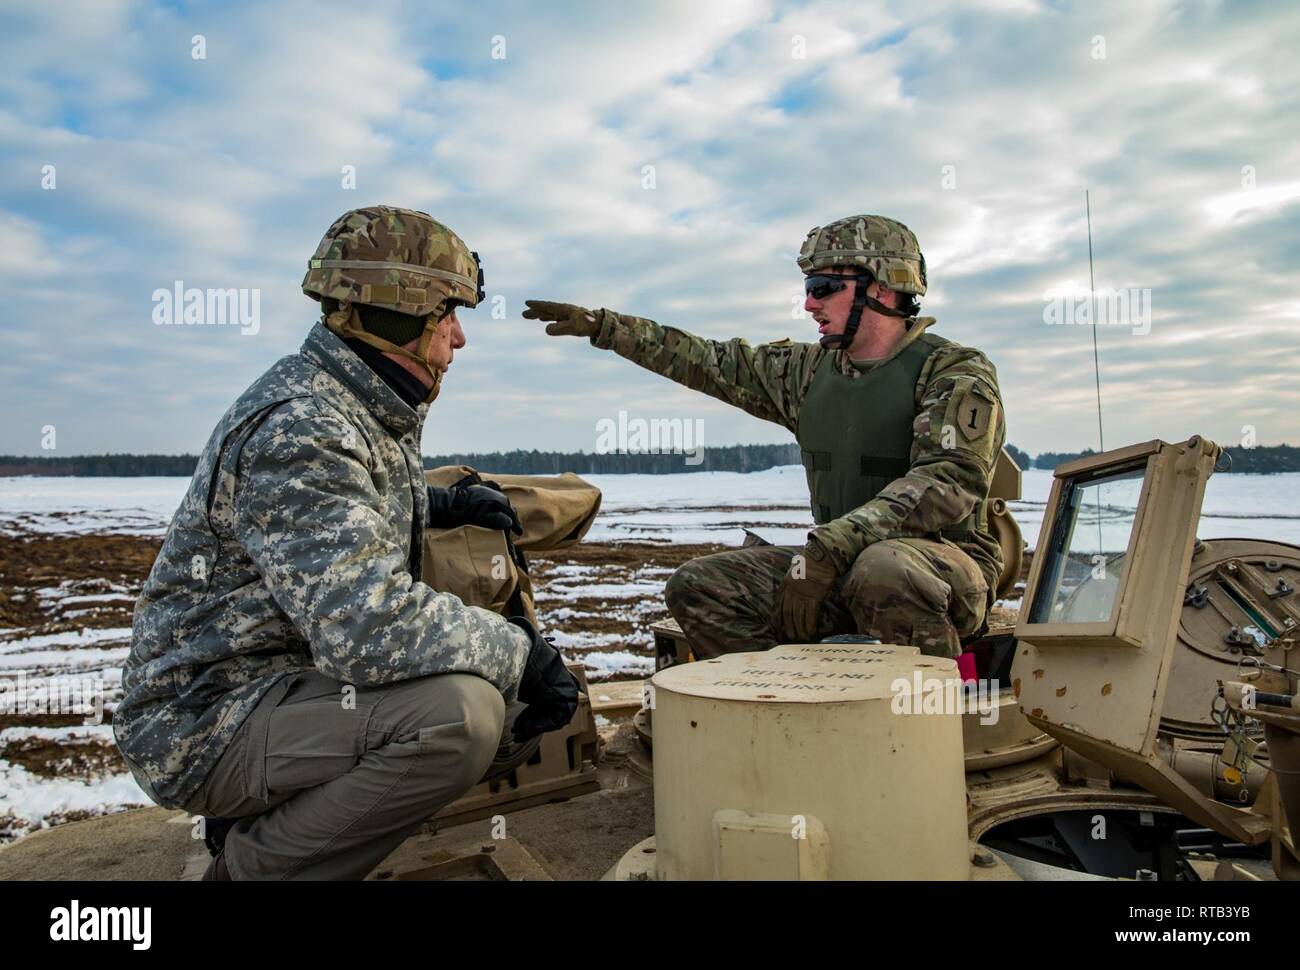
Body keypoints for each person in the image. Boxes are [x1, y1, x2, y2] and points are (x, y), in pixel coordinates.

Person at [114, 205, 579, 880]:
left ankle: (272, 813)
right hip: (202, 723)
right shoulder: (305, 427)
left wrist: (438, 502)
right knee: (460, 716)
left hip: (263, 684)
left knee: (467, 680)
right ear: (399, 312)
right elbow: (367, 629)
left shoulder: (348, 403)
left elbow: (344, 510)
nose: (458, 338)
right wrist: (522, 653)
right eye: (448, 313)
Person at [524, 214, 1004, 659]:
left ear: (883, 287)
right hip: (836, 564)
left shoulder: (952, 371)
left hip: (943, 570)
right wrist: (608, 328)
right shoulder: (807, 373)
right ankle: (779, 710)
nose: (809, 303)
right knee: (699, 585)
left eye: (823, 286)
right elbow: (708, 361)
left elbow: (949, 479)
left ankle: (929, 727)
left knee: (883, 570)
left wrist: (832, 546)